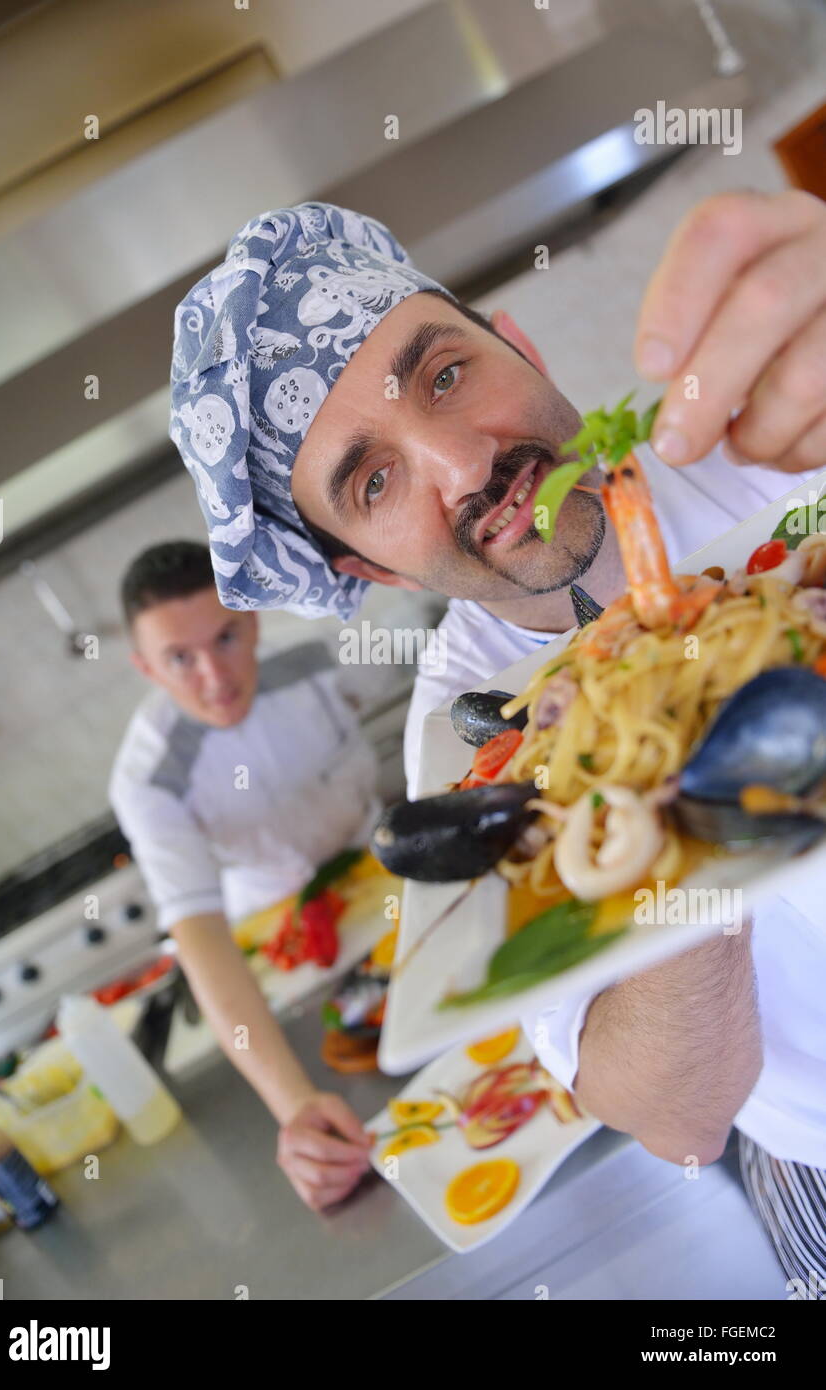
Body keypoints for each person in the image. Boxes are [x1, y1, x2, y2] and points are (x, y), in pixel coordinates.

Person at [168, 195, 826, 1293]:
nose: (463, 466)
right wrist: (668, 850)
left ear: (512, 341)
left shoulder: (779, 427)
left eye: (442, 375)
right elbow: (678, 1120)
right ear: (366, 571)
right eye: (374, 482)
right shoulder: (470, 736)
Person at [109, 540, 379, 1210]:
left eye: (226, 637)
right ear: (146, 668)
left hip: (388, 877)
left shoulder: (317, 652)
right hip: (286, 940)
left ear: (254, 621)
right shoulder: (148, 777)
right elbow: (198, 934)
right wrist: (295, 1107)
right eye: (180, 658)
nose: (215, 675)